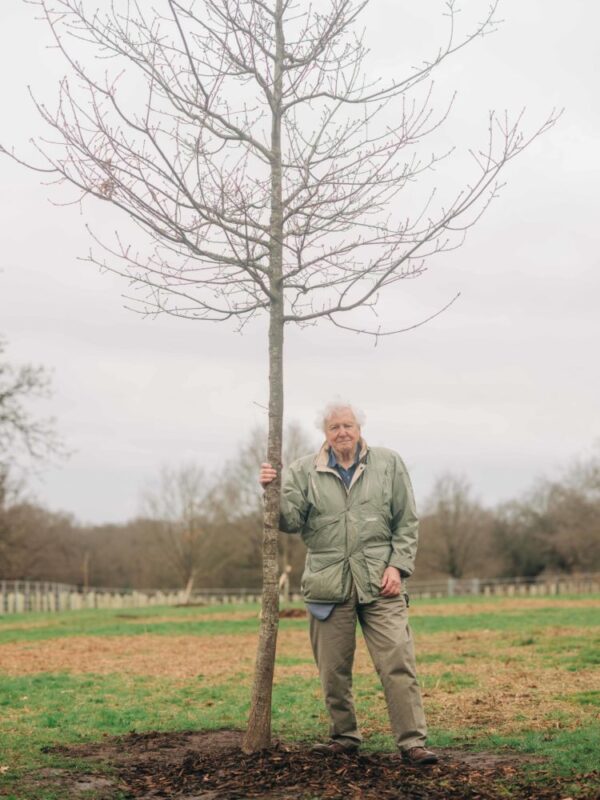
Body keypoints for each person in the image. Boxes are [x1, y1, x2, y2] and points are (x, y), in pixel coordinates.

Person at [259, 402, 437, 765]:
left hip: (381, 583)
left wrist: (398, 567)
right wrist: (271, 489)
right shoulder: (302, 470)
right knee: (333, 670)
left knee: (397, 663)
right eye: (334, 427)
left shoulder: (388, 463)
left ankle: (412, 743)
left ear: (359, 428)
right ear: (324, 433)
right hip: (328, 583)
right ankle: (344, 737)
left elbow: (407, 521)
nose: (342, 432)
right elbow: (289, 521)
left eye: (348, 425)